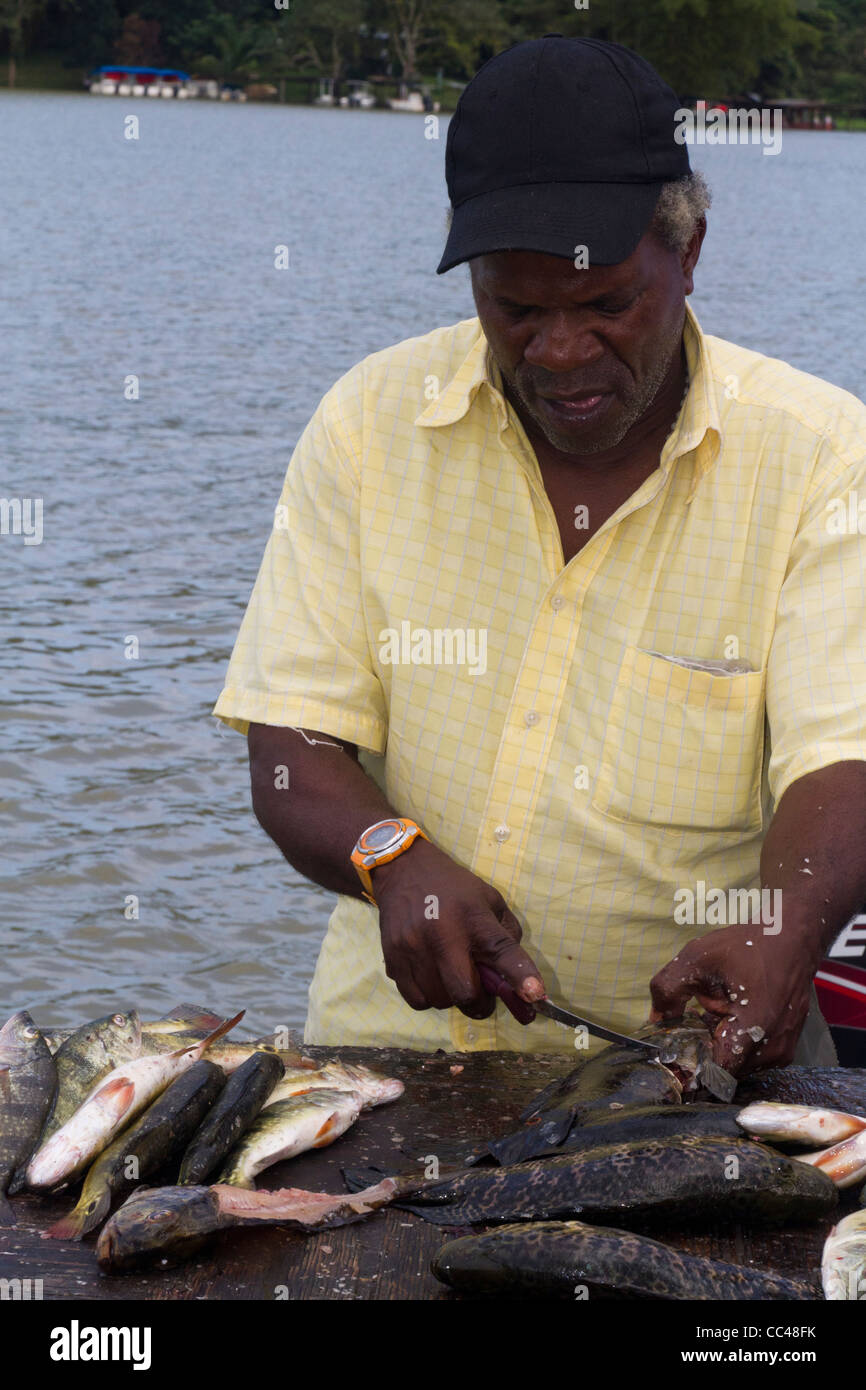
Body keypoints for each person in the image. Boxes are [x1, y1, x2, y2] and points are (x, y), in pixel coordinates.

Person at [214, 36, 866, 1073]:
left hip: (705, 1071)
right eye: (515, 310)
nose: (558, 352)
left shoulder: (821, 456)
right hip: (394, 1064)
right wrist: (391, 858)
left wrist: (783, 925)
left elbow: (845, 756)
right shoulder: (367, 422)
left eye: (607, 304)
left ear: (687, 253)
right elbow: (291, 742)